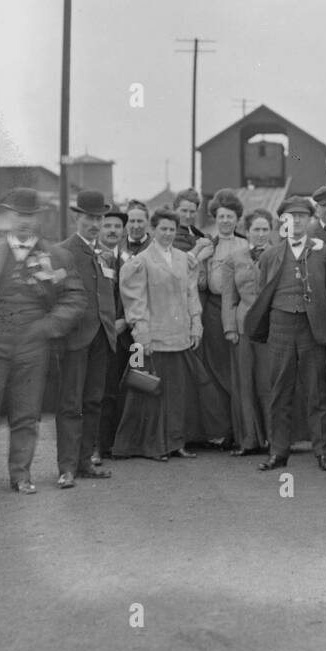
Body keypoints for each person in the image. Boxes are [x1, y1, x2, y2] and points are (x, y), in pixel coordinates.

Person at [0, 188, 86, 499]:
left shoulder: (57, 256)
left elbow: (75, 298)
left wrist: (47, 326)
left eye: (30, 215)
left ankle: (21, 475)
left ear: (38, 218)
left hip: (33, 347)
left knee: (26, 415)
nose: (24, 221)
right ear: (8, 217)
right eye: (18, 214)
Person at [247, 196, 326, 471]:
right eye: (289, 216)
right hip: (281, 326)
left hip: (313, 328)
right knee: (279, 391)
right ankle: (278, 451)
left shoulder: (324, 253)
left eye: (301, 216)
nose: (295, 221)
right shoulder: (270, 255)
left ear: (310, 220)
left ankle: (322, 451)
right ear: (282, 221)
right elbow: (262, 290)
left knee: (318, 391)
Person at [112, 208, 205, 463]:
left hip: (179, 337)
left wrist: (196, 324)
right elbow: (135, 302)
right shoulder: (139, 262)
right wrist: (142, 336)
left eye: (171, 229)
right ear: (153, 230)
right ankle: (153, 445)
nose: (167, 234)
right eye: (163, 229)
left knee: (177, 394)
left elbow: (191, 294)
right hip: (151, 338)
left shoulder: (184, 259)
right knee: (149, 391)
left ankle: (176, 443)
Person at [49, 190, 118, 487]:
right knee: (70, 403)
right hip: (75, 340)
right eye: (89, 217)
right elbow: (51, 297)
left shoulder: (103, 254)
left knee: (93, 401)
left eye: (99, 218)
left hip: (102, 337)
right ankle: (66, 467)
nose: (94, 223)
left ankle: (85, 461)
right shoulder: (61, 252)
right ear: (77, 217)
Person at [191, 188, 248, 446]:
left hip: (238, 310)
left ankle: (241, 428)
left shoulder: (245, 245)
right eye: (221, 216)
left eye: (230, 216)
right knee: (216, 369)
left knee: (237, 368)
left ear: (237, 219)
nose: (225, 221)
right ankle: (221, 429)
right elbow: (199, 284)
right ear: (215, 218)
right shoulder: (206, 244)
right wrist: (201, 262)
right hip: (213, 312)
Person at [221, 209, 276, 454]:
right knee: (245, 383)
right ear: (248, 231)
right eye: (256, 229)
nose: (261, 234)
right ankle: (249, 439)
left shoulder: (279, 255)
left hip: (273, 328)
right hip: (244, 327)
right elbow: (228, 298)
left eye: (265, 229)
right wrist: (230, 328)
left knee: (269, 383)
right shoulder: (235, 258)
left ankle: (275, 439)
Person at [93, 204, 129, 466]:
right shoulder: (91, 257)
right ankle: (96, 445)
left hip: (124, 334)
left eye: (117, 226)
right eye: (108, 225)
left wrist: (125, 320)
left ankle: (115, 443)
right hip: (96, 334)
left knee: (119, 390)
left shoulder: (129, 259)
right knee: (97, 390)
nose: (113, 230)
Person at [172, 189, 206, 253]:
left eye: (192, 212)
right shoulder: (169, 235)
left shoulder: (193, 231)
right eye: (184, 211)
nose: (188, 216)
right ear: (174, 210)